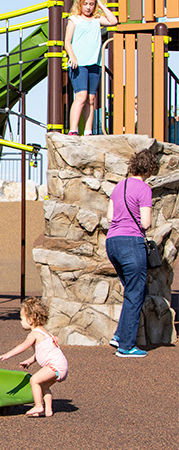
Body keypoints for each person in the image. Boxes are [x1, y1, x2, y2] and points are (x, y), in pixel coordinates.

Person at [105, 148, 160, 358]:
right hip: (131, 242)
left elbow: (110, 216)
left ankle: (120, 335)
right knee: (136, 293)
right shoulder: (144, 188)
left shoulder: (119, 186)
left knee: (132, 290)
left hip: (112, 242)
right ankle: (126, 346)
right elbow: (146, 222)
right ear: (149, 169)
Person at [0, 297, 68, 417]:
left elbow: (23, 346)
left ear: (30, 320)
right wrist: (30, 360)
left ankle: (38, 406)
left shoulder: (34, 334)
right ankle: (48, 410)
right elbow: (43, 351)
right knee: (44, 386)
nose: (20, 321)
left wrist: (7, 355)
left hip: (54, 366)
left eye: (21, 318)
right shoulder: (45, 331)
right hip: (61, 367)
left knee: (34, 380)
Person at [64, 0, 117, 136]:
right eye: (86, 4)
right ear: (80, 4)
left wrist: (101, 5)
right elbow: (67, 42)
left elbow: (113, 21)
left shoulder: (96, 19)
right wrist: (72, 56)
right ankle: (73, 130)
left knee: (91, 98)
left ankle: (88, 131)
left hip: (95, 63)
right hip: (79, 63)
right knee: (81, 96)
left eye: (91, 4)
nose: (88, 7)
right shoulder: (74, 19)